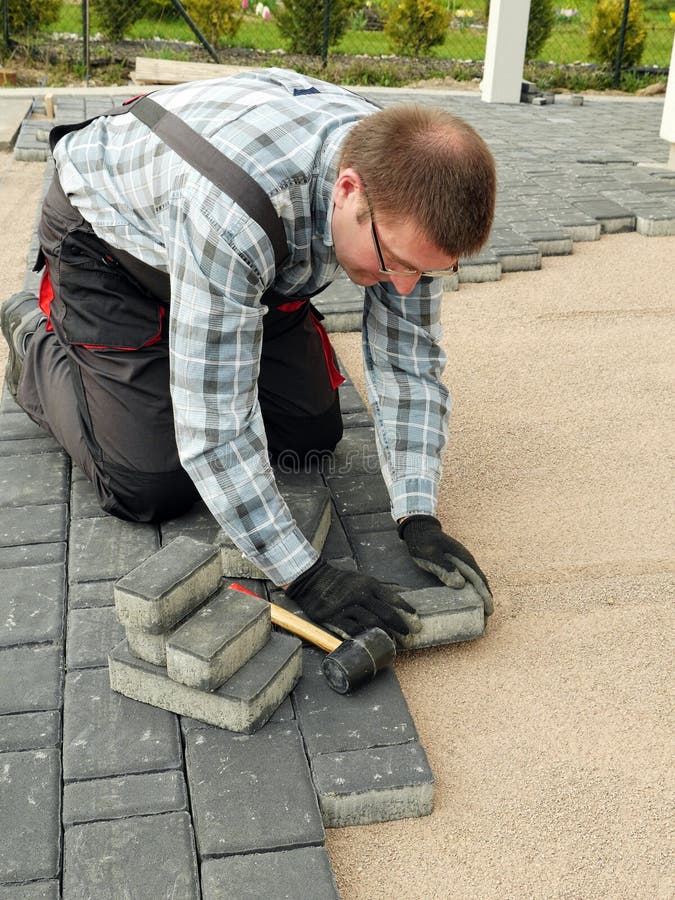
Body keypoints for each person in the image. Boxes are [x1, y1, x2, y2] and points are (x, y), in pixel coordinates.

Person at [1, 67, 496, 640]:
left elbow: (408, 364)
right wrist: (305, 576)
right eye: (395, 263)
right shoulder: (232, 212)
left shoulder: (405, 204)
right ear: (348, 190)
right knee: (150, 481)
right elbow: (214, 429)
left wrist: (418, 513)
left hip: (242, 255)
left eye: (426, 269)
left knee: (309, 433)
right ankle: (32, 333)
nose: (403, 287)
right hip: (111, 244)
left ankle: (203, 331)